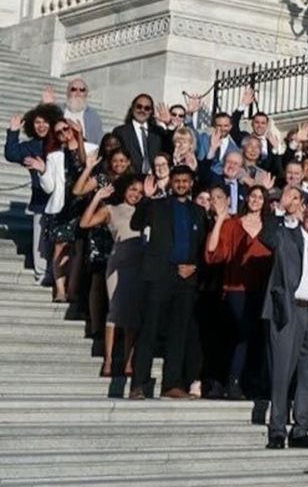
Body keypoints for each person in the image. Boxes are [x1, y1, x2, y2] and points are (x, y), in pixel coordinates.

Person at [128, 164, 206, 399]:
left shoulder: (198, 212)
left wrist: (195, 267)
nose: (181, 184)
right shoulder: (156, 205)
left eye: (185, 181)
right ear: (171, 182)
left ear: (191, 183)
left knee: (179, 332)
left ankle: (172, 383)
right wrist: (146, 199)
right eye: (178, 180)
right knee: (149, 329)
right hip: (159, 274)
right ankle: (139, 384)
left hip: (186, 277)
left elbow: (202, 247)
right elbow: (136, 224)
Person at [260, 199, 308, 448]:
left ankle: (301, 429)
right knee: (281, 372)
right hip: (289, 310)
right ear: (304, 214)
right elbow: (265, 236)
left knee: (307, 372)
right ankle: (277, 429)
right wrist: (279, 211)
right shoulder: (286, 235)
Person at [205, 185, 274, 400]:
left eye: (260, 197)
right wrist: (219, 220)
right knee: (240, 335)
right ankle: (232, 382)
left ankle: (249, 382)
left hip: (262, 291)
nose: (255, 200)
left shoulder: (270, 228)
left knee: (257, 339)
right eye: (252, 196)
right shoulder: (233, 224)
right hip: (236, 289)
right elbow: (213, 254)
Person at [78, 178, 144, 377]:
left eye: (140, 192)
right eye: (133, 189)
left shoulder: (145, 211)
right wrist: (98, 197)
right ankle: (107, 360)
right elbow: (84, 222)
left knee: (133, 315)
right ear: (125, 189)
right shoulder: (112, 210)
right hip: (118, 264)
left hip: (139, 266)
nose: (136, 194)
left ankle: (128, 362)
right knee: (115, 311)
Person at [36, 121, 96, 302]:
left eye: (66, 129)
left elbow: (90, 169)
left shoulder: (92, 148)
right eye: (59, 132)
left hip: (83, 206)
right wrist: (42, 171)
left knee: (78, 250)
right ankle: (60, 290)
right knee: (60, 247)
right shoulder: (54, 156)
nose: (63, 133)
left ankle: (72, 290)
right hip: (62, 206)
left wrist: (79, 136)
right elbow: (49, 187)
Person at [7, 105, 61, 284]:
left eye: (45, 121)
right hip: (40, 200)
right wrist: (13, 132)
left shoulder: (61, 142)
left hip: (62, 198)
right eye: (37, 122)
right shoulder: (31, 146)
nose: (41, 126)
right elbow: (12, 154)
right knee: (41, 240)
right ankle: (42, 273)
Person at [112, 93, 171, 174]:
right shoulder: (120, 132)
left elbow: (169, 149)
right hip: (130, 178)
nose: (142, 110)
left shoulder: (157, 132)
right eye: (139, 106)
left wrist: (168, 125)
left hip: (154, 178)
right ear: (133, 108)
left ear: (151, 111)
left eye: (147, 108)